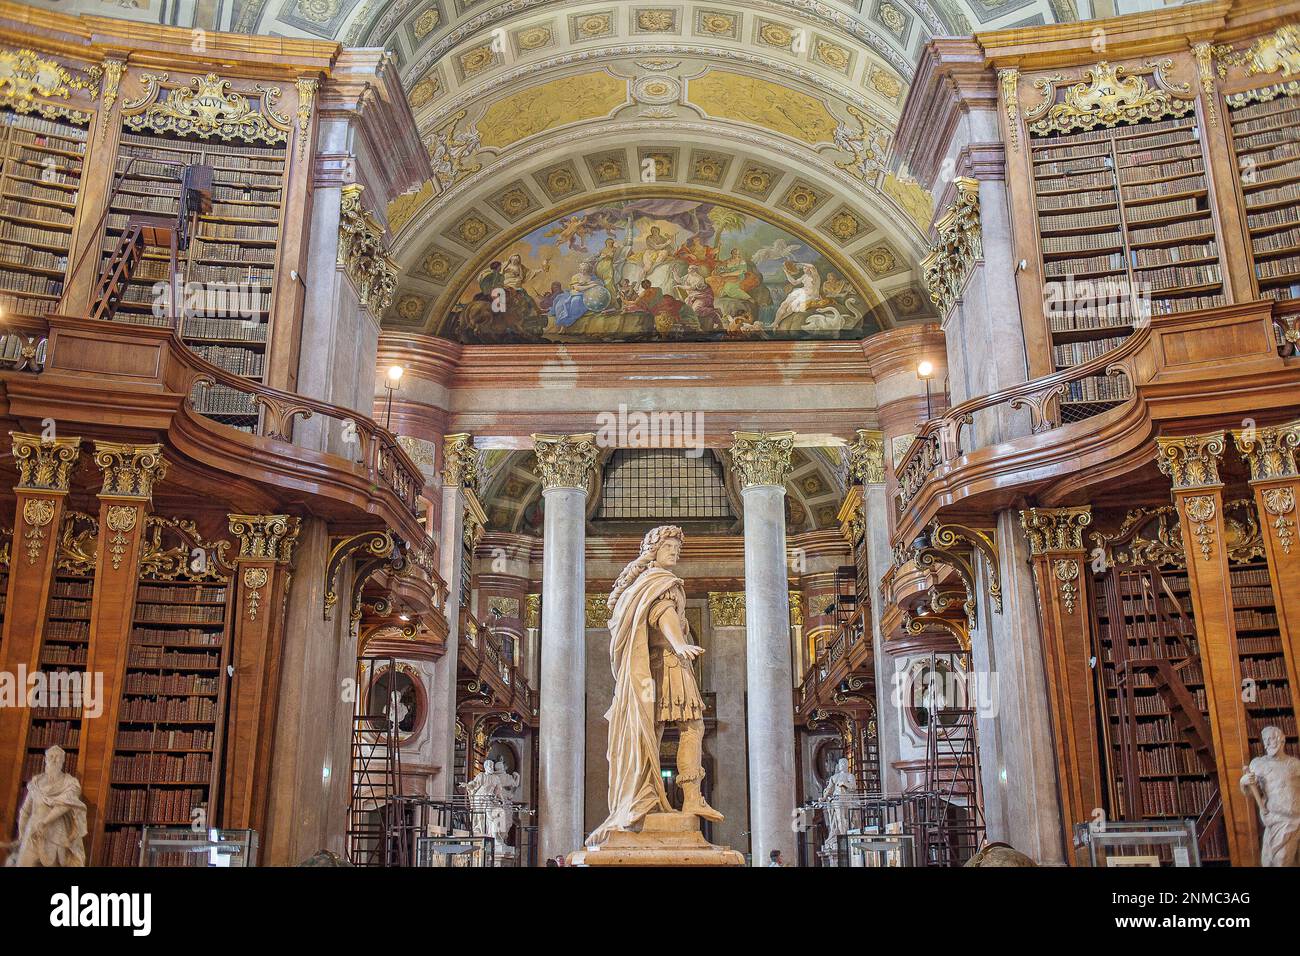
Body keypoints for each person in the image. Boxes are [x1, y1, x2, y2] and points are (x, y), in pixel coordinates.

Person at [585, 526, 723, 847]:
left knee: (652, 730)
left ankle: (642, 793)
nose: (675, 552)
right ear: (654, 550)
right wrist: (679, 644)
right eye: (670, 547)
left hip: (651, 672)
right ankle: (691, 797)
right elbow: (664, 616)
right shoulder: (663, 583)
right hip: (670, 665)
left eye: (678, 547)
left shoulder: (640, 585)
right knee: (692, 726)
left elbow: (624, 608)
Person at [8, 745, 87, 867]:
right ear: (45, 759)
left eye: (58, 758)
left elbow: (64, 805)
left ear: (62, 761)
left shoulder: (70, 783)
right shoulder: (36, 783)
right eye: (51, 757)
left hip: (56, 834)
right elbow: (25, 811)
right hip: (33, 832)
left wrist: (45, 822)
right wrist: (22, 835)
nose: (54, 760)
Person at [1240, 724, 1300, 866]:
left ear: (1281, 740)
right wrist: (1243, 782)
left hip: (1291, 821)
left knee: (1282, 860)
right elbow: (1249, 792)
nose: (1267, 743)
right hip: (1272, 820)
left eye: (1271, 739)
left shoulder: (1294, 764)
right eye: (1265, 739)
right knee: (1267, 862)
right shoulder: (1259, 764)